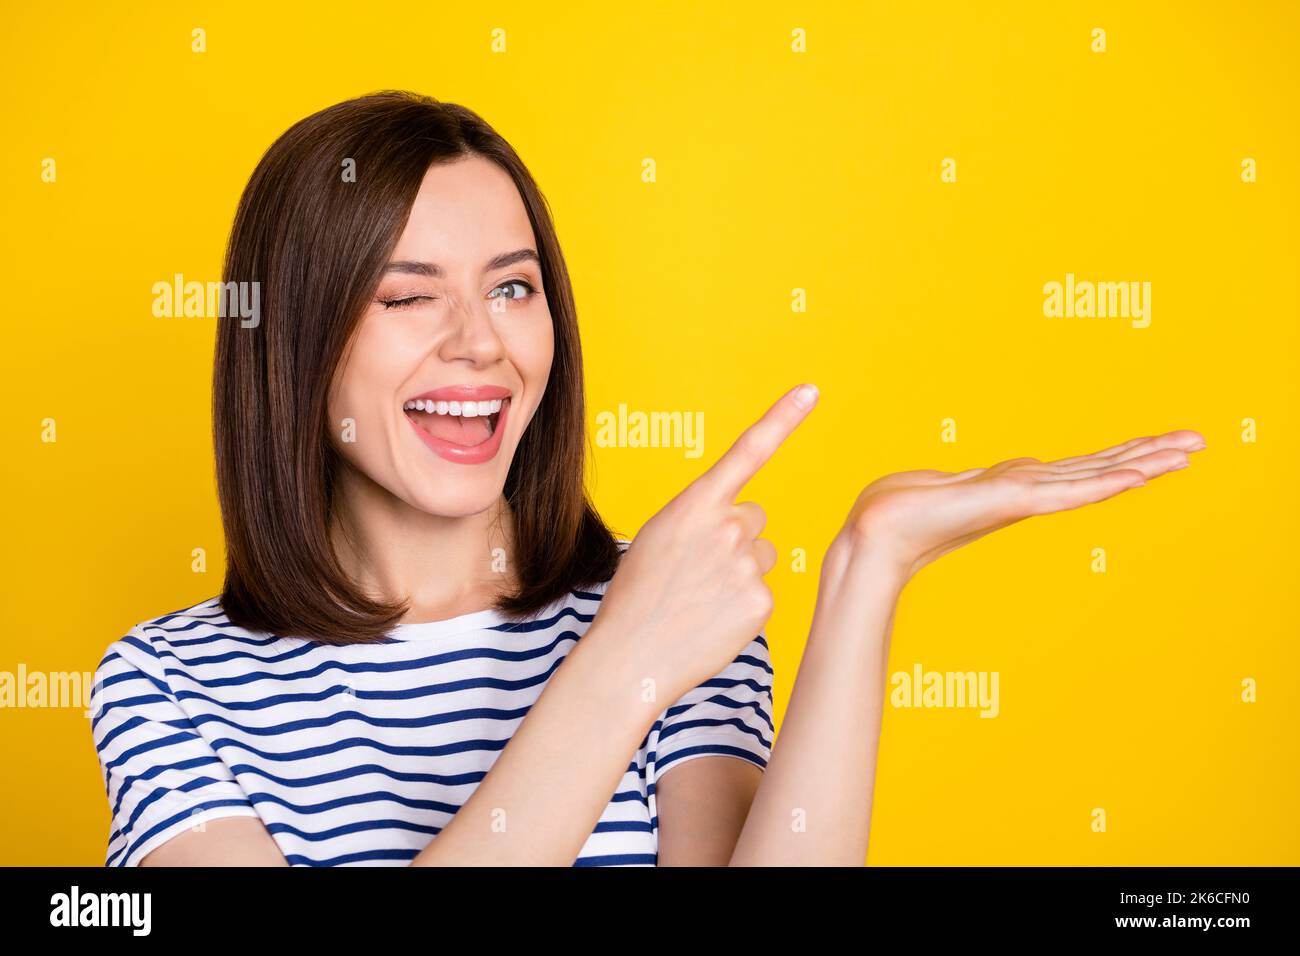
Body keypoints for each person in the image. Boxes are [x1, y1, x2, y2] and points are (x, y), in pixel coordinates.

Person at [89, 90, 1204, 866]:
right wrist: (624, 659)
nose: (480, 343)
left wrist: (871, 566)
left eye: (512, 288)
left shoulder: (677, 607)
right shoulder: (166, 687)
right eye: (406, 294)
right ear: (291, 341)